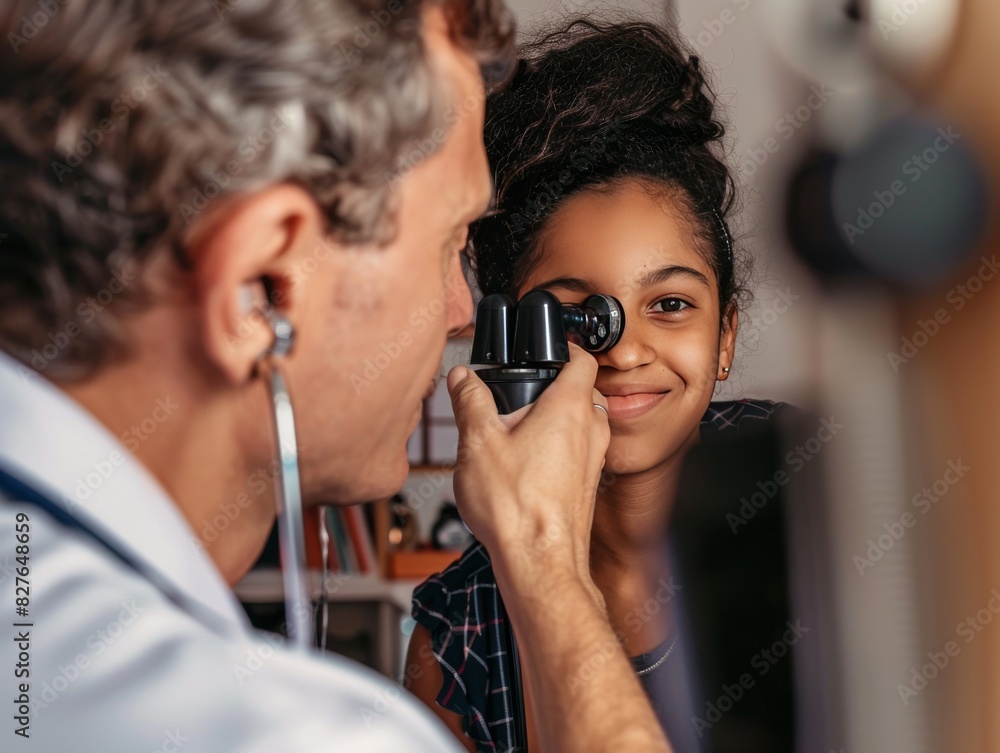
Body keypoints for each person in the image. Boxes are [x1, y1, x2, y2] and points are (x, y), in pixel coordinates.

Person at [0, 2, 672, 752]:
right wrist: (547, 558)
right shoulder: (299, 736)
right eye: (451, 241)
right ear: (264, 284)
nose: (461, 312)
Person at [406, 19, 789, 752]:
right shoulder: (458, 631)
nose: (624, 350)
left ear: (725, 337)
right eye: (573, 315)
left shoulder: (809, 507)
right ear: (509, 341)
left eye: (670, 304)